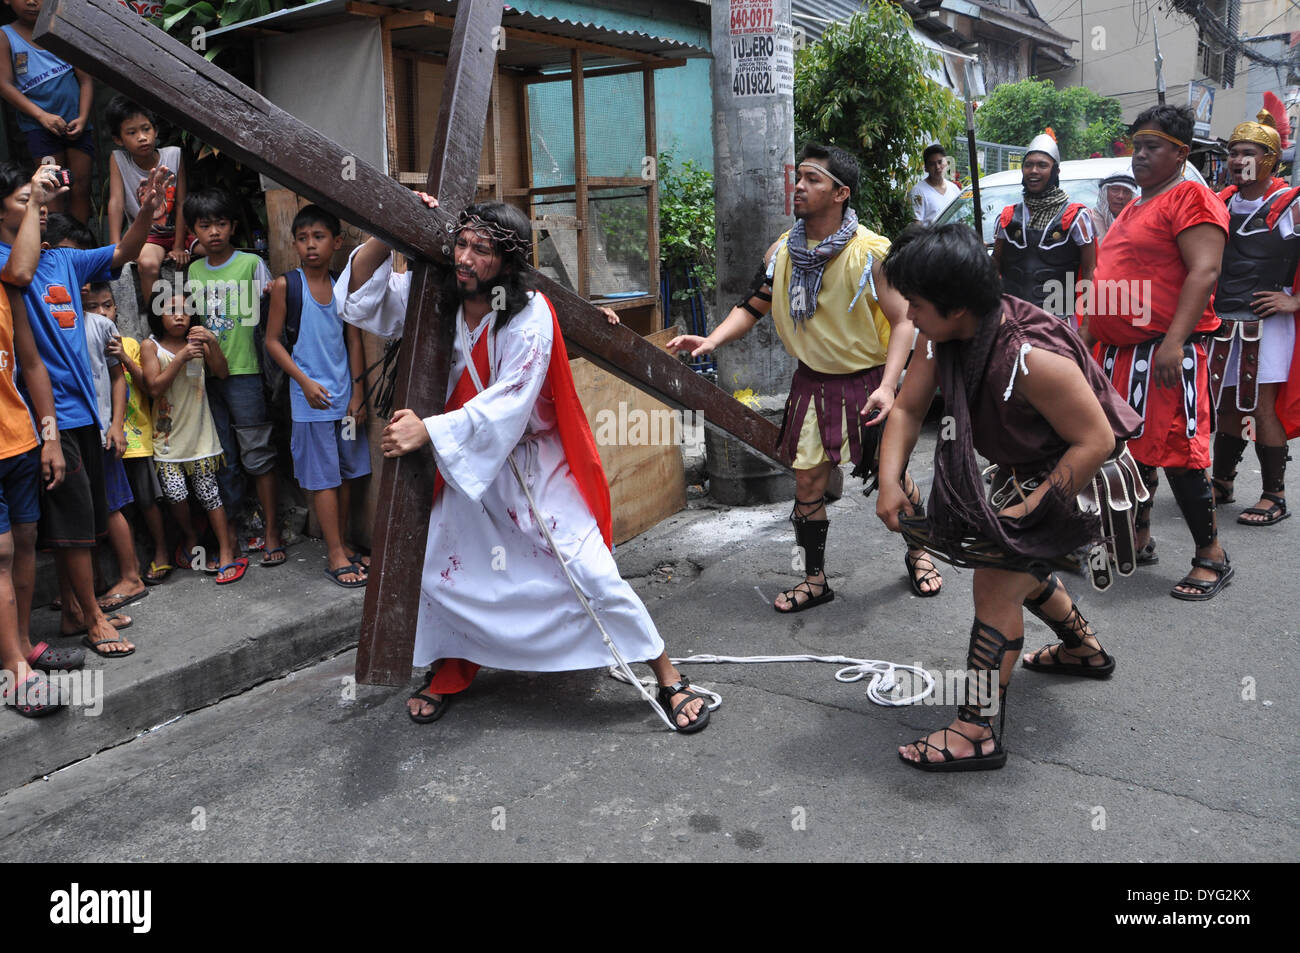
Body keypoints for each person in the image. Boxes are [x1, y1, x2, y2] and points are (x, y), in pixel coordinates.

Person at [337, 198, 712, 732]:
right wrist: (390, 229)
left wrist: (430, 429)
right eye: (460, 244)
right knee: (443, 570)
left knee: (586, 570)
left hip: (529, 462)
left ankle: (667, 674)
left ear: (508, 264)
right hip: (464, 465)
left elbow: (510, 400)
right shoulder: (433, 294)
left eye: (481, 250)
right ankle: (451, 665)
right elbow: (358, 302)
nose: (465, 258)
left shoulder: (528, 312)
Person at [876, 223, 1142, 771]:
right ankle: (1083, 650)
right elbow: (905, 408)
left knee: (997, 582)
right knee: (1019, 564)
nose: (908, 317)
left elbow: (1096, 440)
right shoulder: (940, 334)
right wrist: (888, 479)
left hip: (1081, 475)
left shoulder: (1031, 358)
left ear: (954, 309)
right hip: (1026, 471)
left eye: (917, 305)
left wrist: (1032, 508)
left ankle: (975, 730)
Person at [668, 142, 938, 608]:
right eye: (800, 177)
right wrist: (711, 340)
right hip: (811, 384)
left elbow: (905, 322)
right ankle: (814, 580)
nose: (799, 186)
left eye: (813, 179)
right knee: (808, 485)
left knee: (892, 478)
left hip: (868, 383)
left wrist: (889, 386)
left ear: (840, 194)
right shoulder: (784, 251)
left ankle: (920, 551)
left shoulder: (870, 253)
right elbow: (753, 305)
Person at [0, 160, 164, 656]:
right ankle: (92, 618)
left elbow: (123, 252)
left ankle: (74, 612)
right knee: (69, 528)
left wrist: (147, 213)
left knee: (84, 522)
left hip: (85, 410)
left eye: (40, 200)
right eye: (24, 200)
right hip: (45, 418)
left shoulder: (64, 261)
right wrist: (36, 194)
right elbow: (21, 270)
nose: (41, 208)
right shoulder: (6, 260)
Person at [1078, 104, 1232, 601]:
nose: (1139, 155)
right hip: (1118, 354)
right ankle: (1138, 539)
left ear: (1181, 153)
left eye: (1152, 147)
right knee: (1129, 448)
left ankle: (1212, 556)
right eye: (1137, 146)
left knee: (1179, 456)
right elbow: (1109, 278)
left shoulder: (1191, 197)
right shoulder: (1134, 204)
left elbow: (1204, 271)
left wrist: (1172, 341)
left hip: (1164, 352)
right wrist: (1084, 339)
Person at [43, 215, 147, 616]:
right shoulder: (52, 312)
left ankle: (128, 576)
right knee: (81, 511)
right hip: (71, 426)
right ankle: (86, 590)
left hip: (99, 428)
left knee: (110, 506)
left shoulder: (99, 326)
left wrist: (116, 425)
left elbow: (119, 377)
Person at [263, 205, 371, 587]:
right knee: (323, 479)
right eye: (303, 238)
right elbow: (273, 341)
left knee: (345, 474)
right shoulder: (285, 286)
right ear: (294, 244)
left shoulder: (343, 285)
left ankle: (342, 544)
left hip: (343, 400)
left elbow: (354, 340)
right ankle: (335, 553)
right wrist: (304, 382)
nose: (311, 245)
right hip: (311, 403)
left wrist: (358, 392)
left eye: (319, 237)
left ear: (336, 242)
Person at [1206, 109, 1300, 528]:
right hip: (1223, 320)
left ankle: (1274, 494)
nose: (1236, 160)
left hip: (1267, 323)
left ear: (1271, 158)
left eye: (1247, 152)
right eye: (1232, 152)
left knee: (1262, 407)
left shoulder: (1290, 203)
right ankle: (1223, 482)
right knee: (1226, 403)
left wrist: (1295, 301)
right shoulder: (1220, 201)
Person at [182, 188, 284, 566]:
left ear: (233, 226)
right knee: (223, 457)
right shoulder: (193, 271)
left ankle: (272, 531)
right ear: (193, 230)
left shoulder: (251, 264)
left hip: (247, 371)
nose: (213, 232)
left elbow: (274, 308)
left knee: (258, 452)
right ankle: (238, 531)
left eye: (221, 224)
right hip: (207, 376)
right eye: (204, 225)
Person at [0, 279, 74, 717]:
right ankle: (12, 671)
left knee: (27, 539)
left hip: (21, 441)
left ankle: (23, 645)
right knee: (2, 552)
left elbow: (32, 364)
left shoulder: (9, 289)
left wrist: (50, 439)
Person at [139, 289, 243, 584]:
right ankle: (190, 536)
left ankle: (225, 551)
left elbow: (221, 373)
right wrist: (181, 358)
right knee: (175, 494)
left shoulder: (197, 342)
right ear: (157, 313)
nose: (179, 314)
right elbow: (154, 388)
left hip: (200, 436)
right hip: (168, 438)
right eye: (170, 309)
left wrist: (211, 342)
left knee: (211, 495)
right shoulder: (152, 347)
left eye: (184, 309)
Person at [86, 280, 172, 584]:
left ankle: (162, 553)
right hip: (104, 437)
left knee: (147, 501)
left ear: (116, 307)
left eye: (107, 305)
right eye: (93, 307)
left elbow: (148, 387)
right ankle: (125, 565)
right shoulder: (85, 346)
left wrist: (123, 357)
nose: (102, 313)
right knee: (119, 506)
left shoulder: (133, 345)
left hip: (135, 436)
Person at [0, 0, 92, 222]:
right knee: (52, 190)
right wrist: (41, 116)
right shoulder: (5, 36)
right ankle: (58, 247)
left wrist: (83, 117)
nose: (32, 2)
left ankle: (80, 246)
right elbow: (4, 84)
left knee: (81, 185)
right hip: (39, 128)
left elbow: (86, 79)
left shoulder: (62, 28)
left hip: (77, 124)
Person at [992, 131, 1095, 319]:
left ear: (1055, 171)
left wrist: (1088, 323)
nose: (1033, 171)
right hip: (1011, 320)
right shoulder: (1007, 218)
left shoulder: (1076, 218)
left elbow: (1090, 271)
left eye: (1042, 165)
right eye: (1028, 165)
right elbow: (995, 264)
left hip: (1059, 322)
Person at [105, 96, 189, 306]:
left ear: (156, 131)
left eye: (146, 129)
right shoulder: (119, 160)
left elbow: (181, 203)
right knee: (148, 264)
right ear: (118, 139)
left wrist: (179, 245)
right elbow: (115, 202)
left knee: (216, 249)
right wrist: (116, 245)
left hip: (183, 231)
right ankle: (157, 323)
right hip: (149, 237)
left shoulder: (174, 155)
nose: (142, 137)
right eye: (132, 133)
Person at [909, 144, 961, 226]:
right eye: (932, 164)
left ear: (946, 163)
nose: (937, 167)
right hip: (931, 238)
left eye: (940, 162)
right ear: (926, 168)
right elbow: (917, 224)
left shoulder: (954, 189)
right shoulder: (918, 191)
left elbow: (961, 218)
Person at [1087, 172, 1138, 245]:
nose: (1120, 196)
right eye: (1115, 190)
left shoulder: (1139, 221)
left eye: (1126, 191)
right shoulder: (1088, 221)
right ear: (1105, 193)